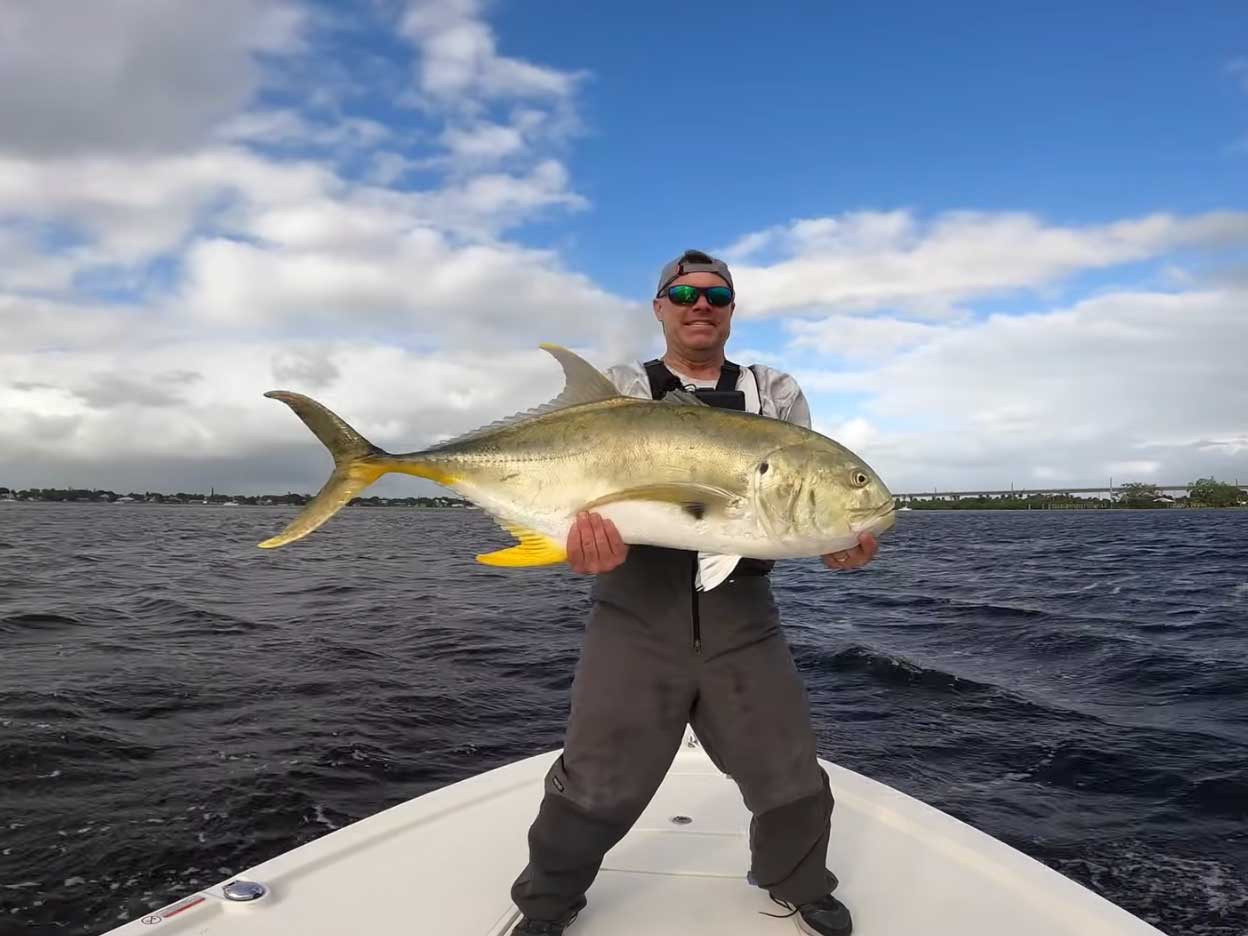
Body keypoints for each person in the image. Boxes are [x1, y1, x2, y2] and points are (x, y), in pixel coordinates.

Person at [509, 250, 879, 936]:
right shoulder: (623, 385)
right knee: (595, 779)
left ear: (733, 310)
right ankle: (547, 904)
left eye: (715, 294)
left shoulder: (775, 391)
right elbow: (578, 486)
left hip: (745, 616)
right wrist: (576, 547)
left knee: (789, 769)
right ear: (660, 308)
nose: (698, 304)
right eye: (682, 293)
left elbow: (789, 502)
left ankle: (799, 884)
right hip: (632, 612)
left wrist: (839, 541)